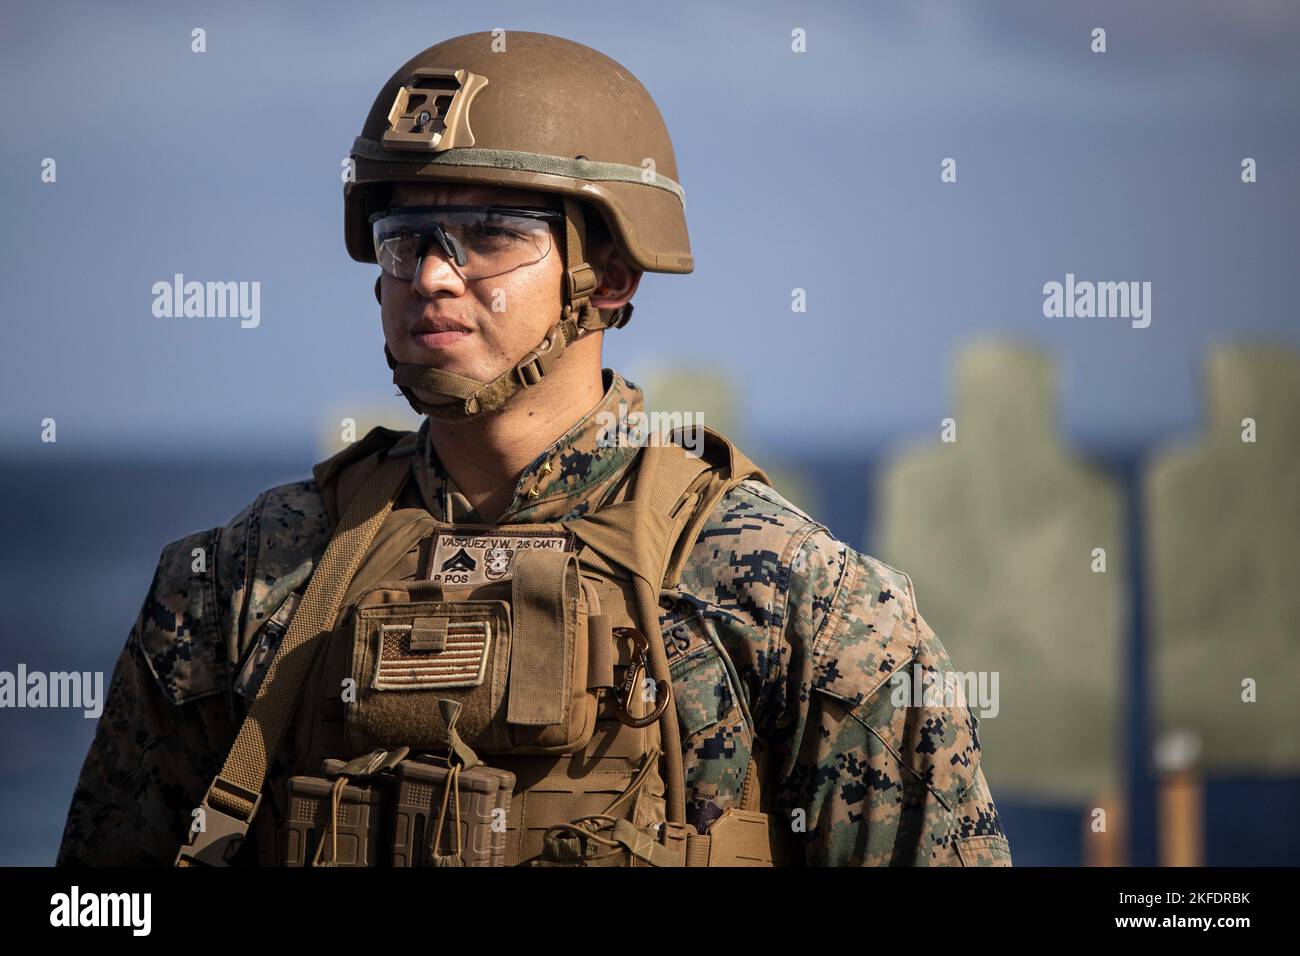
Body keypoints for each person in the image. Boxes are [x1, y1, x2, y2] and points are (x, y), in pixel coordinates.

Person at [56, 30, 1011, 868]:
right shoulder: (239, 582)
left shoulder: (798, 600)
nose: (432, 275)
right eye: (406, 238)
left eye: (490, 236)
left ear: (610, 276)